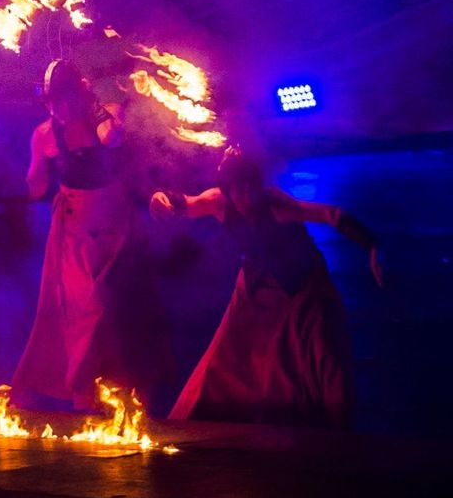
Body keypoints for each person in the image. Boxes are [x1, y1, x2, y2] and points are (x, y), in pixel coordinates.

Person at [0, 59, 162, 409]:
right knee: (84, 311)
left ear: (77, 95)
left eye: (61, 98)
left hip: (114, 224)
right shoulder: (43, 134)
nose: (54, 107)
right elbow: (35, 187)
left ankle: (130, 395)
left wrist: (104, 110)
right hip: (73, 231)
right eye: (49, 101)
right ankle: (84, 395)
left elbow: (113, 138)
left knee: (116, 308)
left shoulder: (103, 115)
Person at [151, 145, 381, 428]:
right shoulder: (219, 201)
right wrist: (162, 199)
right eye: (238, 189)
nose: (245, 197)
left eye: (250, 188)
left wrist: (371, 246)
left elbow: (332, 214)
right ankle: (202, 424)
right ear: (228, 188)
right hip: (255, 285)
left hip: (302, 283)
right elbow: (184, 204)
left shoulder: (276, 205)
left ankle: (339, 433)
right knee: (225, 358)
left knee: (324, 355)